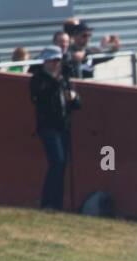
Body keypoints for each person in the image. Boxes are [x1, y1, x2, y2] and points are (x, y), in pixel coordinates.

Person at [29, 48, 81, 210]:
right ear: (44, 61)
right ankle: (47, 202)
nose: (55, 64)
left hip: (63, 125)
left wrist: (73, 97)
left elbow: (77, 104)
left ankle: (57, 204)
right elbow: (38, 97)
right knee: (56, 161)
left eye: (58, 61)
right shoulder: (38, 79)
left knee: (61, 164)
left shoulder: (63, 79)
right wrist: (56, 82)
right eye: (52, 61)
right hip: (48, 126)